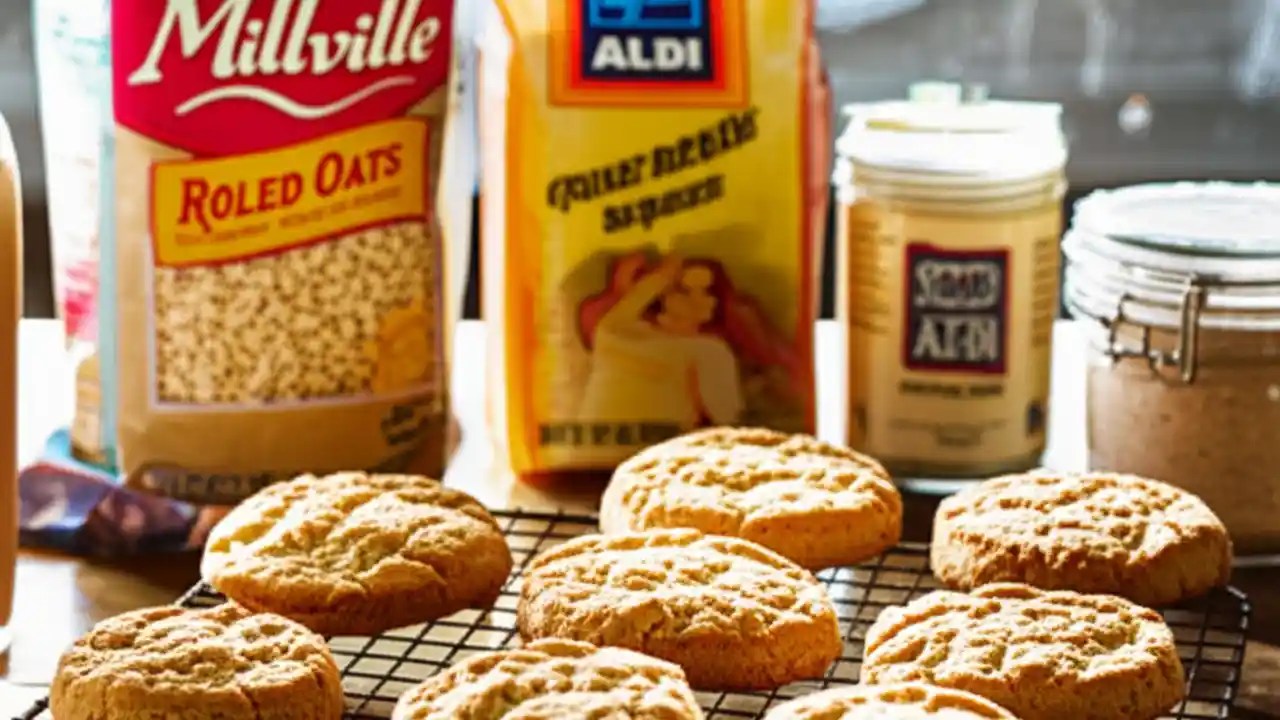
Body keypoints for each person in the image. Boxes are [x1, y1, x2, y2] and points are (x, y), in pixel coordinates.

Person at [577, 252, 787, 431]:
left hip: (653, 458)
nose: (698, 299)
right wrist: (661, 277)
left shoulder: (710, 351)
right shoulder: (623, 334)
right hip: (606, 459)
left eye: (708, 291)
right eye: (684, 291)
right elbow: (728, 425)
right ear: (663, 296)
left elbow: (725, 423)